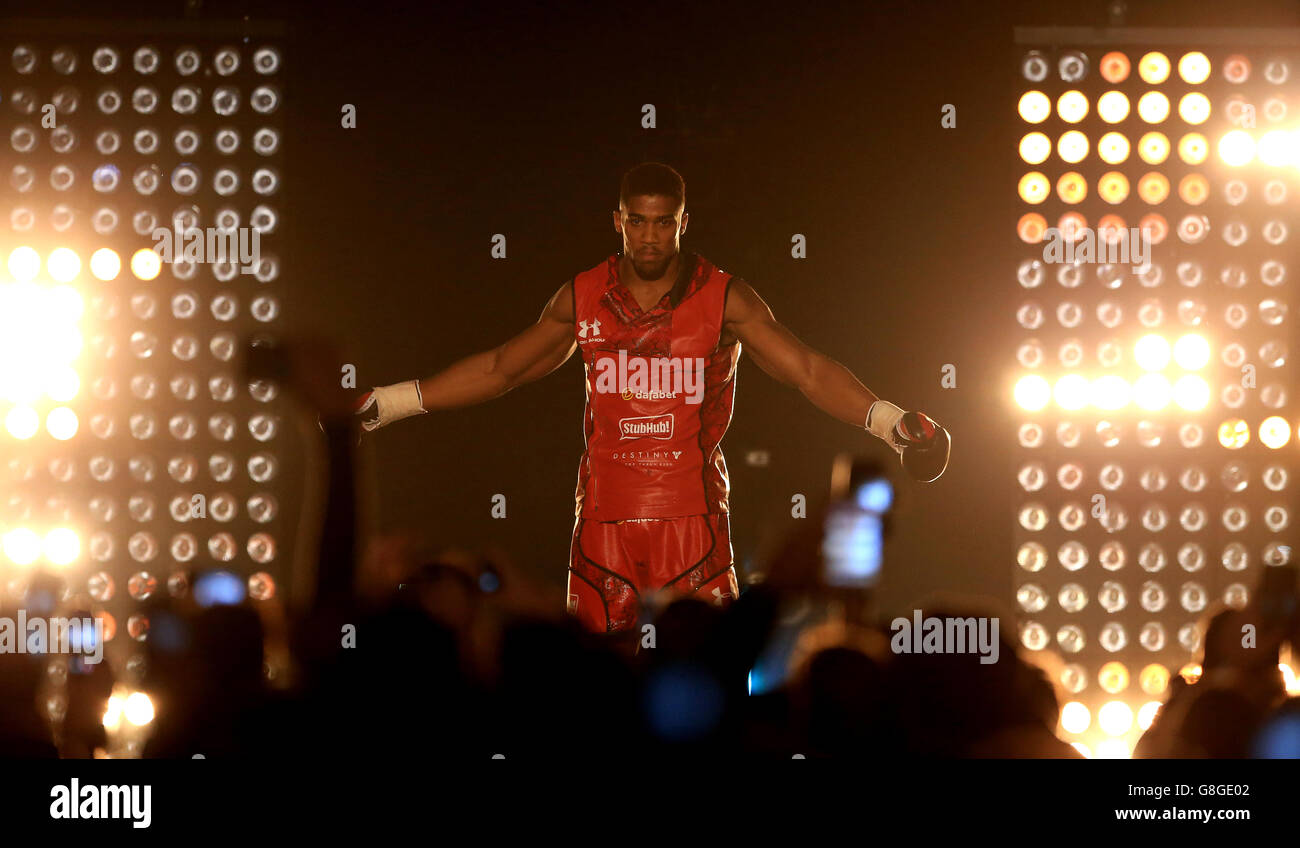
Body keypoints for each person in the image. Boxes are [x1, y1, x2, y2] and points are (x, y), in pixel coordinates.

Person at [355, 162, 950, 633]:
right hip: (603, 525)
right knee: (600, 697)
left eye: (662, 222)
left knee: (709, 684)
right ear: (617, 220)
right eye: (637, 221)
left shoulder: (724, 298)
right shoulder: (582, 296)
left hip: (692, 523)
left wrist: (893, 423)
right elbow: (500, 367)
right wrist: (385, 403)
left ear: (682, 223)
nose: (649, 235)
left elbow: (807, 371)